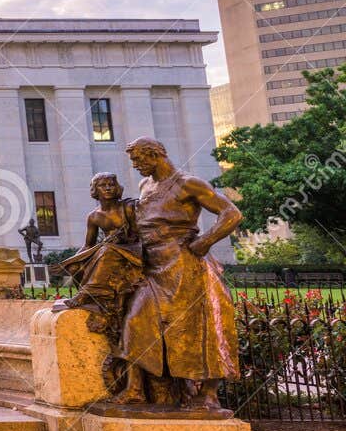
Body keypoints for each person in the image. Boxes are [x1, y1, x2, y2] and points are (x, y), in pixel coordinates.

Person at [115, 137, 242, 411]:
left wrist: (205, 241)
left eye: (138, 159)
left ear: (155, 155)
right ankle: (135, 389)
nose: (135, 166)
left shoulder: (187, 183)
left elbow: (231, 214)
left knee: (200, 327)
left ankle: (208, 395)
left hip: (184, 264)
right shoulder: (145, 186)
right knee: (136, 319)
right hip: (152, 263)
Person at [51, 173, 144, 391]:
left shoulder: (128, 208)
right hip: (110, 251)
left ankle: (86, 295)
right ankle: (88, 292)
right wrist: (72, 262)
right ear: (95, 190)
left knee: (107, 251)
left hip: (133, 251)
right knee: (83, 262)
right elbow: (88, 245)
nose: (108, 188)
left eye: (111, 184)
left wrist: (122, 239)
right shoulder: (94, 217)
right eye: (103, 185)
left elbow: (142, 234)